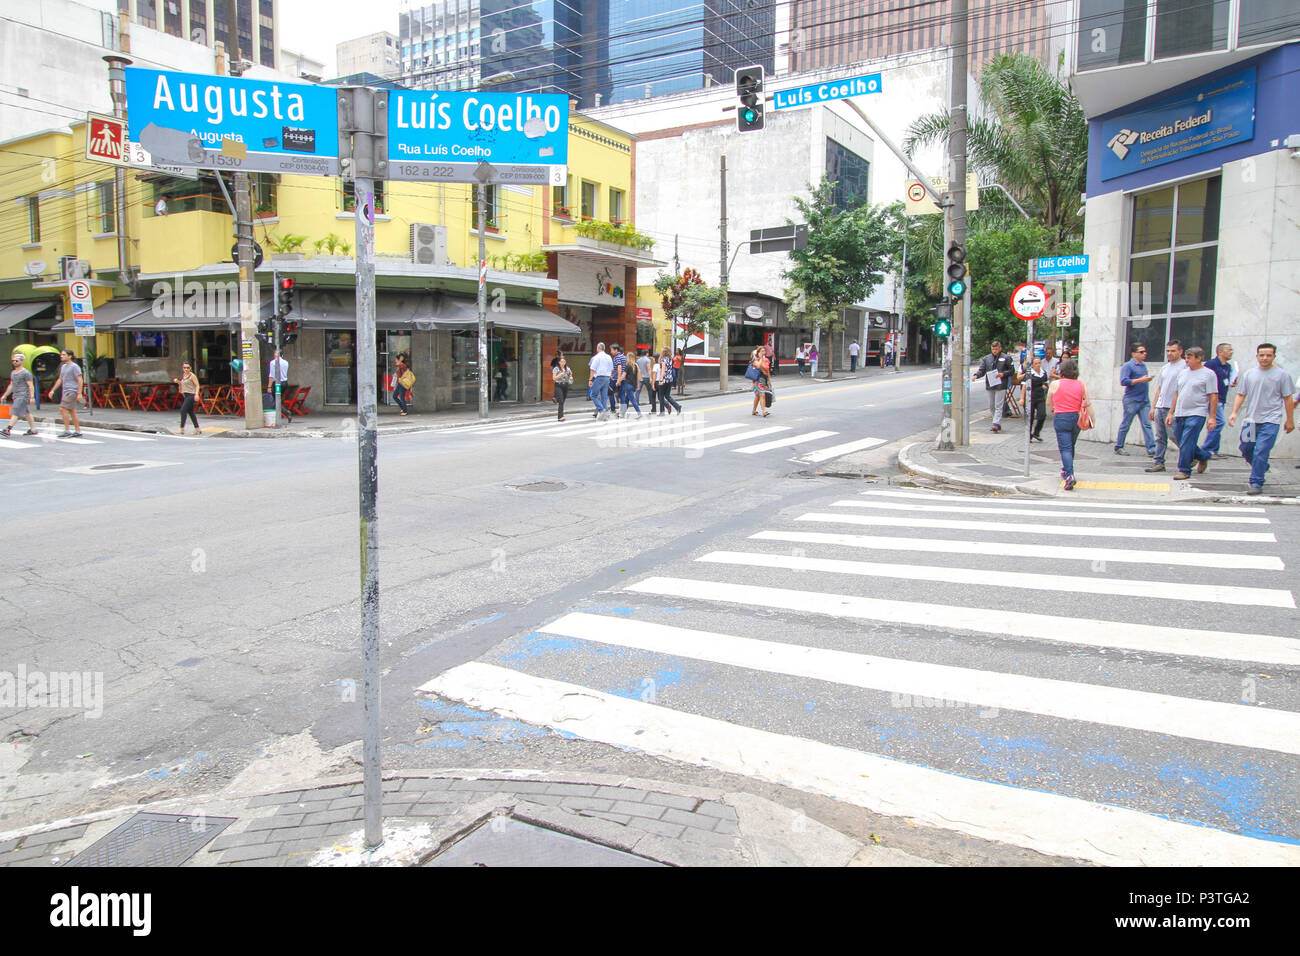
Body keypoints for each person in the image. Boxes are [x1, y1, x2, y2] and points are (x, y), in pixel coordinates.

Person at [1229, 343, 1296, 495]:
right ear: (1257, 356)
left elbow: (1287, 398)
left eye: (1268, 355)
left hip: (1270, 421)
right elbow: (1241, 395)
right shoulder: (1249, 374)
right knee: (1246, 449)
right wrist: (1234, 412)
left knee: (1261, 451)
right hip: (1250, 421)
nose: (1265, 358)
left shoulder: (1282, 375)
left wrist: (1290, 420)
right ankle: (1261, 466)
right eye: (1262, 355)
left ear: (1274, 356)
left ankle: (1256, 482)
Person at [1165, 346, 1217, 480]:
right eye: (1186, 357)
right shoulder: (1183, 373)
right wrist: (1171, 413)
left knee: (1188, 441)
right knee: (1182, 441)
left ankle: (1184, 469)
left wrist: (1212, 417)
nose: (1186, 360)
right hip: (1180, 413)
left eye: (1189, 357)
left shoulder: (1208, 374)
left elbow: (1213, 396)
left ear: (1199, 359)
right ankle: (1203, 456)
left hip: (1197, 412)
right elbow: (1177, 393)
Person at [1046, 358, 1091, 491]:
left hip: (1061, 417)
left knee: (1065, 448)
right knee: (1071, 446)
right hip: (1076, 417)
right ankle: (1066, 470)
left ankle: (1069, 475)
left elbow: (1049, 402)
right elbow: (1087, 401)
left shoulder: (1056, 384)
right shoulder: (1081, 384)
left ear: (1062, 370)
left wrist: (1055, 407)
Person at [1144, 341, 1186, 473]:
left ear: (1180, 352)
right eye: (1168, 351)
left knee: (1174, 435)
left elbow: (1181, 390)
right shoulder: (1165, 368)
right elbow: (1159, 389)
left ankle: (1194, 454)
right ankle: (1158, 462)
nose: (1170, 353)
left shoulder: (1184, 367)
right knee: (1160, 436)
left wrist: (1173, 410)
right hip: (1161, 406)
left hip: (1173, 408)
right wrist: (1153, 407)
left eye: (1173, 351)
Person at [1114, 343, 1156, 456]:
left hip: (1144, 400)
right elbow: (1124, 381)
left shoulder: (1143, 366)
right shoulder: (1128, 366)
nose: (1144, 354)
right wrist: (1140, 380)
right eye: (1141, 352)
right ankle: (1119, 446)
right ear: (1134, 354)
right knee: (1126, 424)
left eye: (1144, 351)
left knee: (1147, 424)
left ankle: (1152, 449)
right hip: (1131, 400)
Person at [1200, 343, 1236, 458]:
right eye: (1228, 350)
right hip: (1213, 398)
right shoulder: (1212, 364)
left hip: (1222, 397)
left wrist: (1232, 382)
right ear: (1220, 352)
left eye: (1232, 350)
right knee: (1219, 421)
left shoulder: (1228, 366)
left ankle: (1214, 450)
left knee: (1215, 424)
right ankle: (1206, 449)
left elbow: (1226, 380)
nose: (1231, 352)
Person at [973, 341, 1014, 432]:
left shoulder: (1006, 358)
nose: (994, 351)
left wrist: (1003, 374)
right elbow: (982, 370)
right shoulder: (987, 358)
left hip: (1001, 384)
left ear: (1000, 348)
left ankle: (996, 423)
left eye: (996, 349)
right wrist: (976, 375)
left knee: (998, 405)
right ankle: (996, 421)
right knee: (991, 405)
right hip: (990, 384)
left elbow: (1011, 370)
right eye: (993, 349)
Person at [49, 348, 84, 438]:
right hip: (65, 391)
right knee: (72, 411)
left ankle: (67, 430)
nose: (61, 356)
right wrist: (53, 390)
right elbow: (60, 379)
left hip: (72, 390)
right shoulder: (63, 367)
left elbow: (80, 379)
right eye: (61, 354)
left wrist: (79, 393)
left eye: (64, 355)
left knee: (62, 409)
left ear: (70, 356)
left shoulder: (74, 366)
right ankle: (78, 431)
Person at [1, 353, 37, 437]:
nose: (14, 362)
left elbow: (30, 385)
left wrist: (32, 396)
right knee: (27, 413)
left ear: (22, 361)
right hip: (16, 395)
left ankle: (8, 429)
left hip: (23, 395)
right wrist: (5, 395)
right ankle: (33, 429)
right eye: (13, 360)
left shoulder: (26, 373)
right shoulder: (13, 372)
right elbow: (11, 385)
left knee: (15, 411)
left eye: (16, 360)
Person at [1025, 354, 1048, 442]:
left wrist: (1045, 385)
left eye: (1039, 363)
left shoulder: (1043, 373)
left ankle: (1036, 432)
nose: (1038, 365)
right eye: (1036, 363)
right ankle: (1028, 435)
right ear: (1032, 365)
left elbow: (1046, 382)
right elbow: (1025, 386)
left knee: (1042, 415)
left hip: (1040, 397)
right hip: (1031, 397)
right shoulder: (1029, 373)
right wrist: (1023, 398)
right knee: (1030, 417)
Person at [173, 361, 201, 435]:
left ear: (190, 368)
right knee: (191, 412)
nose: (186, 369)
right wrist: (178, 381)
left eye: (188, 368)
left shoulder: (192, 376)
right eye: (184, 368)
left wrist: (196, 394)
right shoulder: (184, 375)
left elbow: (197, 385)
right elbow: (183, 384)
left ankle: (181, 429)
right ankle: (197, 429)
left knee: (183, 410)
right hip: (186, 395)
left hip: (191, 395)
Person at [615, 345, 642, 418]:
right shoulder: (636, 366)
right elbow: (637, 377)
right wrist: (638, 385)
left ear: (628, 358)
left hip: (628, 385)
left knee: (633, 400)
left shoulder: (628, 366)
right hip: (633, 386)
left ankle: (639, 413)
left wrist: (618, 381)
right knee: (627, 400)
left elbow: (623, 375)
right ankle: (622, 414)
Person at [266, 348, 292, 422]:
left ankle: (286, 412)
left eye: (275, 353)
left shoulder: (273, 363)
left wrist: (269, 386)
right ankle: (281, 413)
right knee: (278, 399)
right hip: (285, 383)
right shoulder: (286, 362)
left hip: (278, 383)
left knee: (275, 401)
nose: (274, 354)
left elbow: (271, 376)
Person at [589, 342, 613, 420]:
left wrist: (590, 379)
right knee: (604, 397)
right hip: (607, 377)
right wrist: (609, 376)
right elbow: (611, 369)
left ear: (598, 348)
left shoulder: (597, 357)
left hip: (599, 377)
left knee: (593, 395)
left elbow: (593, 369)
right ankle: (604, 415)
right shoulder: (608, 357)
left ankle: (601, 409)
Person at [657, 348, 681, 414]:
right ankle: (677, 406)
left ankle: (662, 411)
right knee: (667, 396)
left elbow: (663, 370)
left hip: (665, 379)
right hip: (670, 379)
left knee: (660, 396)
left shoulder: (663, 359)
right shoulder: (670, 359)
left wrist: (661, 379)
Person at [749, 348, 772, 417]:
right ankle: (764, 411)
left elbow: (767, 370)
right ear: (758, 352)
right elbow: (758, 366)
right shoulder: (755, 360)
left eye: (764, 351)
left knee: (758, 396)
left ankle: (754, 410)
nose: (763, 352)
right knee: (762, 394)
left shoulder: (766, 360)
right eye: (762, 351)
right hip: (757, 380)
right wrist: (761, 358)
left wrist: (769, 380)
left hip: (764, 379)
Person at [552, 355, 573, 421]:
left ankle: (555, 398)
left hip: (565, 385)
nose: (563, 363)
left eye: (564, 361)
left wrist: (571, 378)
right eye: (561, 361)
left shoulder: (568, 369)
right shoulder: (556, 368)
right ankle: (560, 416)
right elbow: (554, 378)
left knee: (562, 401)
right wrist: (561, 374)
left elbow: (570, 375)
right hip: (558, 385)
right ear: (559, 362)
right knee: (561, 401)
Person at [636, 349, 656, 413]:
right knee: (650, 390)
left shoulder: (638, 360)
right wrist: (650, 378)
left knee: (638, 390)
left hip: (640, 377)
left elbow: (637, 369)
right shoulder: (647, 360)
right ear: (646, 353)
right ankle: (651, 401)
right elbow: (649, 369)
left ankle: (636, 402)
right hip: (646, 377)